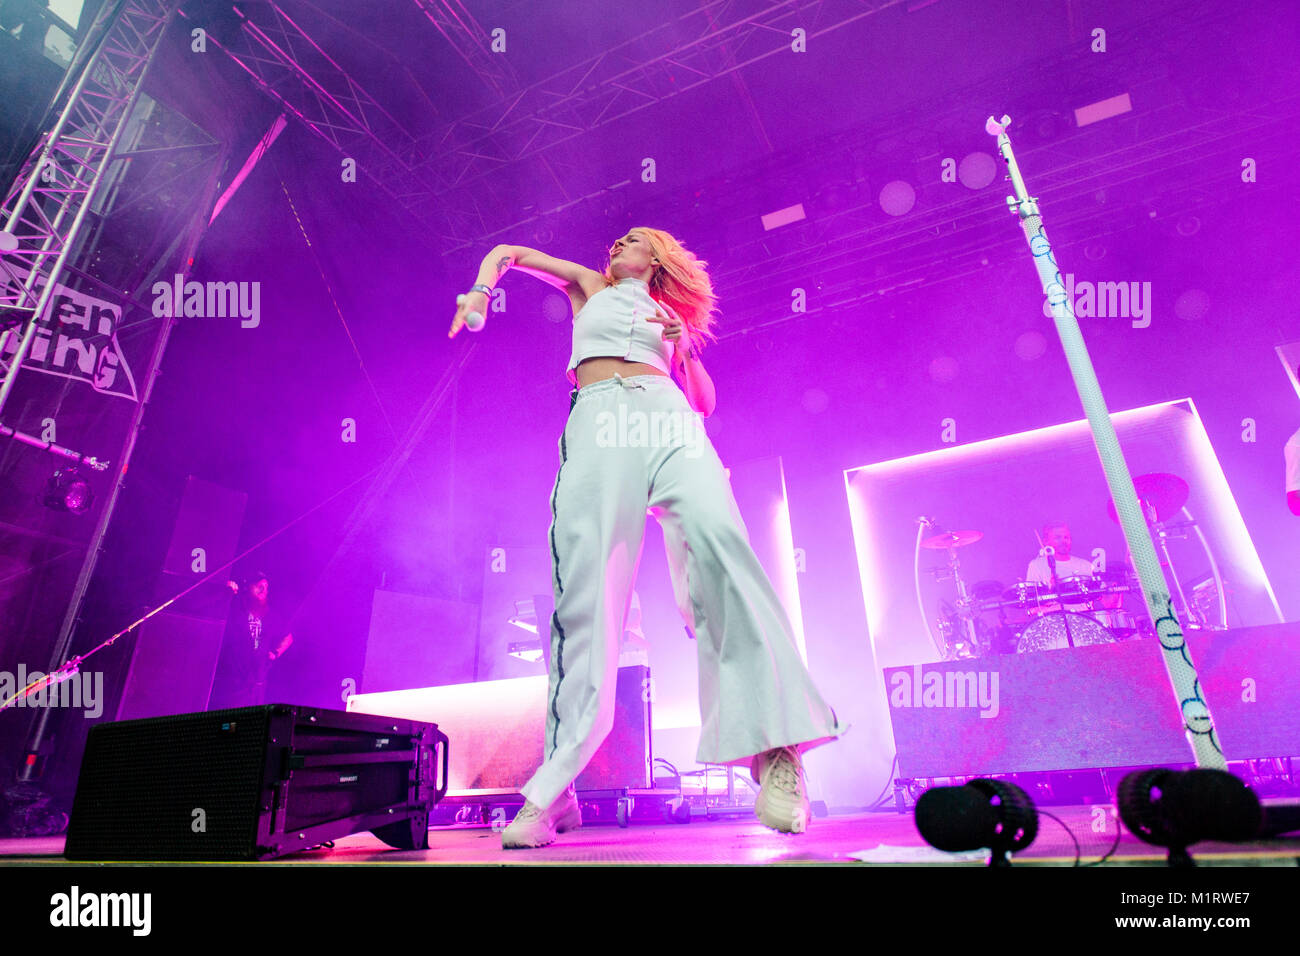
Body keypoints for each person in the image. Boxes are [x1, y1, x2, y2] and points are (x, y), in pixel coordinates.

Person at [449, 228, 846, 849]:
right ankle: (556, 789)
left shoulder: (669, 318)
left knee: (724, 548)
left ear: (656, 258)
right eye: (615, 240)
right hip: (601, 414)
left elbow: (705, 403)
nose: (615, 244)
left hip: (671, 419)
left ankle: (776, 748)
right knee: (587, 598)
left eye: (631, 240)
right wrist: (478, 293)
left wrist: (682, 350)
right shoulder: (589, 284)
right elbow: (508, 253)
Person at [210, 571, 294, 709]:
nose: (263, 590)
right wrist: (226, 590)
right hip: (231, 682)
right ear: (248, 587)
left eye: (266, 587)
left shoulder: (271, 615)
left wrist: (275, 653)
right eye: (259, 585)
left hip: (255, 685)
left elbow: (288, 637)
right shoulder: (236, 608)